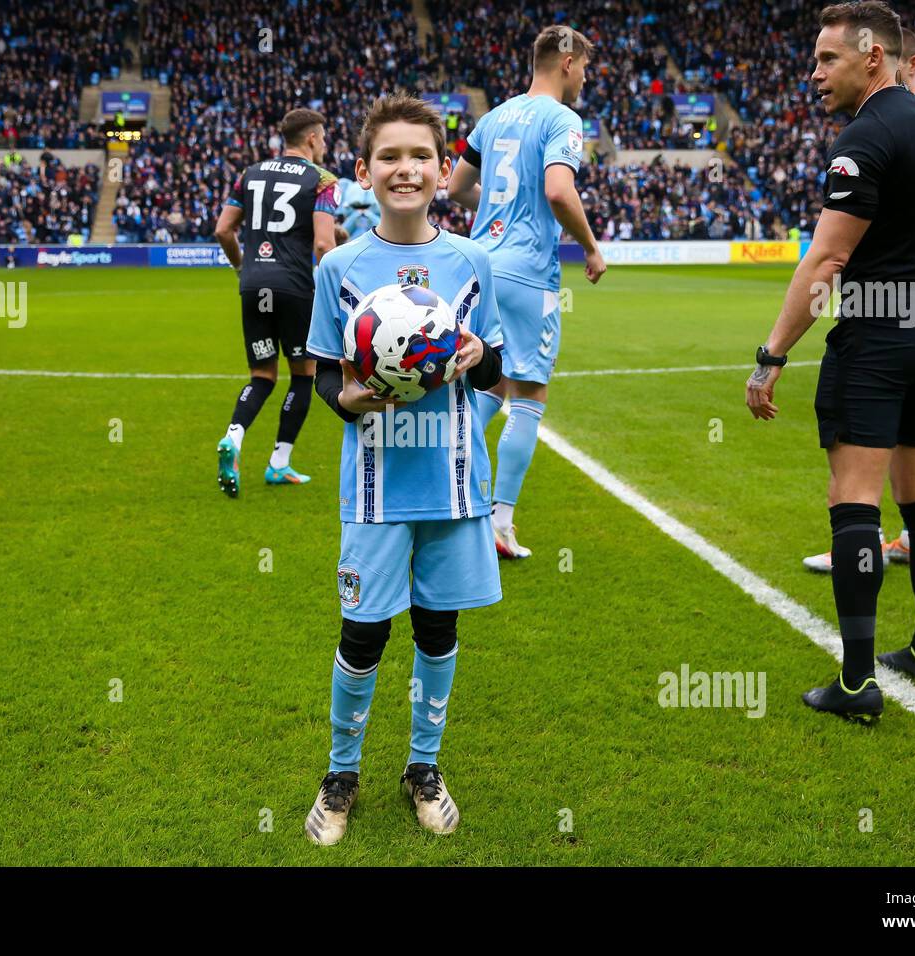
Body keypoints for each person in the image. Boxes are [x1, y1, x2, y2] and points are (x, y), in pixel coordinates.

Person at [746, 1, 915, 721]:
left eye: (827, 59)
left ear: (872, 56)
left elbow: (828, 256)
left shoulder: (865, 136)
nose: (814, 73)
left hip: (882, 330)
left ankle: (854, 685)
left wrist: (772, 355)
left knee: (853, 500)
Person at [302, 93, 504, 845]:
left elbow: (493, 374)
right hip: (375, 490)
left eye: (421, 156)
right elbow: (326, 378)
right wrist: (351, 401)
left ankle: (423, 766)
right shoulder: (341, 269)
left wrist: (482, 357)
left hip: (452, 486)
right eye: (389, 156)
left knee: (437, 630)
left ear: (444, 169)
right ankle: (341, 773)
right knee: (362, 635)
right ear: (362, 171)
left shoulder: (470, 263)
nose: (406, 169)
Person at [446, 25, 607, 559]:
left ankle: (449, 483)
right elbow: (559, 190)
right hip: (527, 273)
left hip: (479, 264)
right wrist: (589, 246)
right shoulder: (563, 118)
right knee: (529, 396)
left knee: (489, 386)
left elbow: (454, 188)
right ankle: (500, 521)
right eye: (583, 66)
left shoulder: (494, 117)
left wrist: (495, 218)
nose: (584, 77)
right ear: (565, 62)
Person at [213, 108, 340, 496]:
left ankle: (233, 437)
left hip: (254, 286)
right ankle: (278, 462)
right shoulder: (323, 180)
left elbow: (222, 229)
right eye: (324, 138)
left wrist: (241, 268)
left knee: (262, 376)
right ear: (313, 138)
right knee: (303, 374)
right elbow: (322, 243)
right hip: (294, 287)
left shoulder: (249, 173)